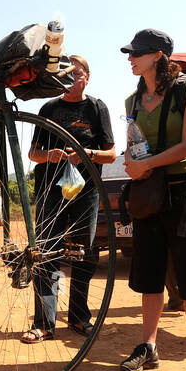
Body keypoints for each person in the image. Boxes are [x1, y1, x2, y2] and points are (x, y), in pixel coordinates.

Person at [117, 32, 186, 371]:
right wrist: (132, 164)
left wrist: (147, 166)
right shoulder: (132, 100)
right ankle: (148, 345)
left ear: (158, 56)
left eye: (136, 54)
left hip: (184, 192)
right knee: (149, 274)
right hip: (148, 196)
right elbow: (131, 144)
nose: (130, 59)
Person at [25, 55, 116, 343]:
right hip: (51, 188)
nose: (72, 78)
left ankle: (79, 317)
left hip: (86, 189)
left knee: (84, 251)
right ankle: (44, 323)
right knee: (47, 251)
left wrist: (88, 154)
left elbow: (111, 154)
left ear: (87, 77)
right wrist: (48, 156)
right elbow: (33, 154)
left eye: (77, 73)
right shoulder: (48, 107)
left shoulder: (97, 108)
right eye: (67, 73)